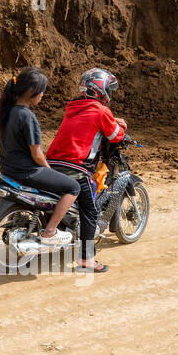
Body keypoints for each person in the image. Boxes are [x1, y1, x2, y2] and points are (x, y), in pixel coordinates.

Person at [45, 68, 126, 273]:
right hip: (77, 167)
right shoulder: (101, 111)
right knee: (90, 210)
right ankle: (86, 260)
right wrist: (121, 125)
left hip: (53, 163)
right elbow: (115, 136)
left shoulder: (72, 107)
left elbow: (88, 124)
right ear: (102, 89)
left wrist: (111, 120)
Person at [0, 67, 75, 248]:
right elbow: (37, 154)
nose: (42, 96)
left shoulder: (7, 112)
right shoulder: (27, 116)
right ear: (31, 92)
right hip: (27, 171)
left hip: (8, 169)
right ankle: (50, 231)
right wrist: (48, 169)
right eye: (41, 92)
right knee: (73, 186)